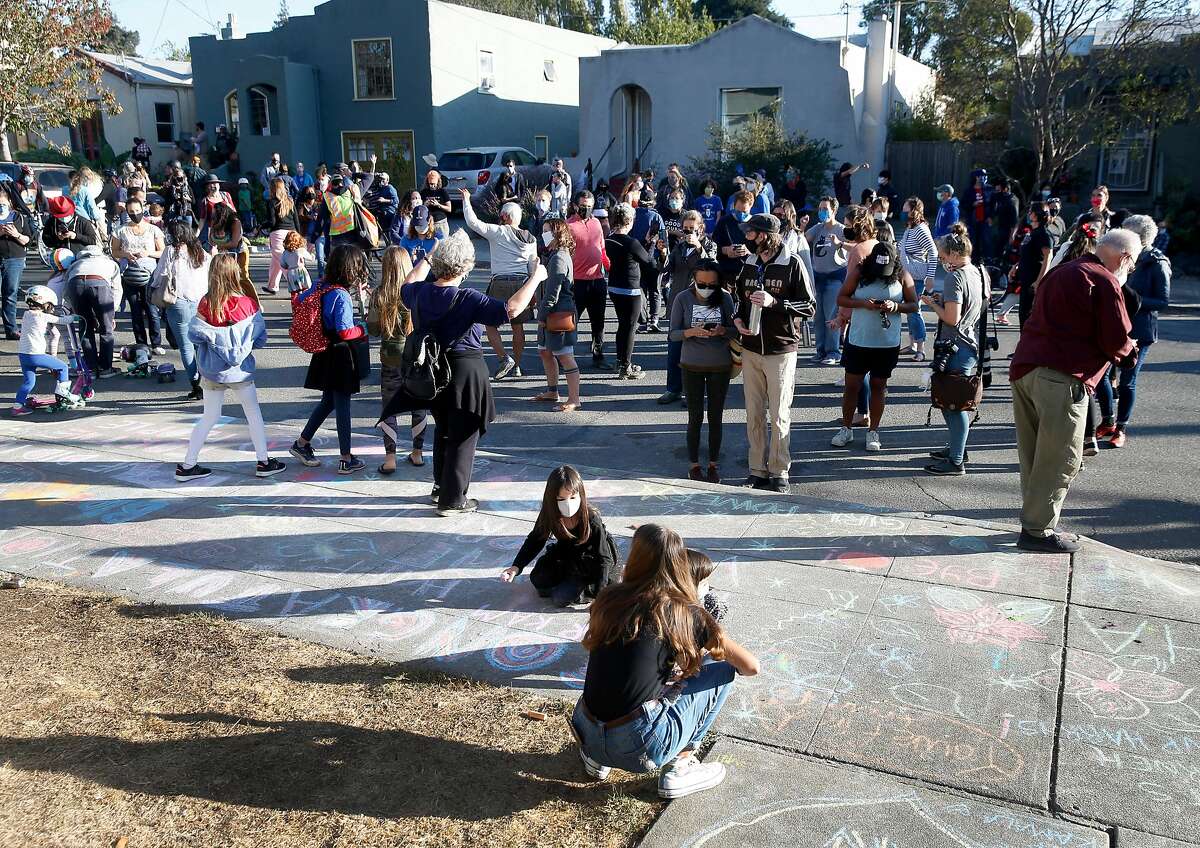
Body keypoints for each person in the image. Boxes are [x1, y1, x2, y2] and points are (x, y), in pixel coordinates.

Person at [571, 523, 760, 797]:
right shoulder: (684, 613)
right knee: (721, 670)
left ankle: (597, 760)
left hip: (586, 730)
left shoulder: (608, 597)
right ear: (679, 564)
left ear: (635, 556)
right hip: (638, 745)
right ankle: (680, 767)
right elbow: (751, 667)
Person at [384, 232, 545, 515]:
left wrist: (429, 256)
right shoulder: (467, 298)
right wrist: (535, 277)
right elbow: (511, 309)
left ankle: (440, 487)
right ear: (465, 268)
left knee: (444, 428)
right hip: (464, 371)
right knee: (464, 433)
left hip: (432, 371)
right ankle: (453, 499)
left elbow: (406, 284)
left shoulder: (421, 292)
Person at [1008, 228, 1138, 553]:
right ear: (1124, 257)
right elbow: (1116, 339)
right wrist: (1130, 352)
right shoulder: (1104, 280)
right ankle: (1037, 530)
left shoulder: (1063, 270)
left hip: (1026, 369)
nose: (1131, 270)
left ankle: (1035, 521)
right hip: (1063, 376)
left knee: (1036, 456)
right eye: (1132, 263)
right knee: (1061, 458)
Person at [175, 254, 286, 482]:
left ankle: (188, 465)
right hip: (240, 371)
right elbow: (261, 338)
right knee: (253, 413)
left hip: (212, 370)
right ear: (234, 273)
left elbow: (194, 335)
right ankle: (263, 462)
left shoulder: (206, 303)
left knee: (209, 416)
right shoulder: (248, 304)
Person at [734, 213, 816, 491]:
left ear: (766, 236)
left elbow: (809, 306)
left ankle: (780, 470)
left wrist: (775, 302)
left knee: (779, 413)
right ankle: (757, 469)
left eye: (752, 233)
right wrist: (737, 320)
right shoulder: (749, 262)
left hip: (781, 349)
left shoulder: (793, 263)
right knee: (753, 413)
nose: (747, 237)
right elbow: (738, 300)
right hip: (751, 348)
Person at [830, 212, 919, 453]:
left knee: (879, 386)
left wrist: (896, 306)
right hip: (859, 340)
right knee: (852, 385)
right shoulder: (860, 271)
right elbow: (842, 297)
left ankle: (873, 431)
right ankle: (846, 428)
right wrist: (863, 304)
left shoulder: (902, 274)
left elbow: (914, 305)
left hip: (886, 343)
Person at [290, 245, 372, 475]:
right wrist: (362, 328)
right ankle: (346, 457)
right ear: (351, 270)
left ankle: (302, 443)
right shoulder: (341, 295)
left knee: (329, 401)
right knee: (342, 405)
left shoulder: (321, 286)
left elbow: (301, 301)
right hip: (340, 354)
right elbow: (346, 331)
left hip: (323, 351)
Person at [1093, 215, 1170, 449]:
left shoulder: (1157, 262)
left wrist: (1129, 299)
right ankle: (1107, 420)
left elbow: (1162, 300)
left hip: (1140, 329)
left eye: (1124, 232)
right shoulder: (1118, 256)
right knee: (1102, 376)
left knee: (1127, 381)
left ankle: (1121, 427)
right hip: (1114, 324)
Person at [921, 224, 988, 475]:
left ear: (952, 253)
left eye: (941, 255)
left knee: (954, 404)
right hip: (969, 343)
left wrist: (931, 304)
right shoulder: (974, 271)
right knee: (956, 401)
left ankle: (956, 460)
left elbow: (951, 318)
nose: (940, 259)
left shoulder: (954, 277)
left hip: (955, 346)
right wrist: (943, 301)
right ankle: (957, 449)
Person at [501, 465, 618, 604]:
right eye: (561, 499)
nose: (568, 504)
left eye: (573, 498)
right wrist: (516, 567)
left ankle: (586, 587)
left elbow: (604, 558)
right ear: (552, 499)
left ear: (580, 495)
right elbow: (536, 539)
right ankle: (570, 583)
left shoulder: (591, 518)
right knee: (539, 579)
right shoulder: (550, 513)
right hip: (568, 555)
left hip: (591, 560)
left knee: (560, 598)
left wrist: (601, 596)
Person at [459, 189, 540, 381]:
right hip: (522, 283)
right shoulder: (531, 238)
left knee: (489, 323)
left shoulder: (498, 232)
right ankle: (518, 366)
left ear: (504, 216)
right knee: (518, 326)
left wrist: (466, 200)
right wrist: (533, 289)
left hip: (500, 283)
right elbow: (533, 264)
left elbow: (473, 223)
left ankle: (504, 358)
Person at [670, 258, 735, 483]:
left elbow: (735, 330)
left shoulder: (725, 298)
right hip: (691, 364)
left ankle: (713, 464)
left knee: (716, 417)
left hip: (720, 364)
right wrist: (690, 332)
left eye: (711, 285)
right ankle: (694, 464)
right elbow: (673, 333)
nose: (706, 289)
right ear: (694, 281)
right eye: (702, 284)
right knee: (694, 417)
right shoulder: (682, 298)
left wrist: (722, 331)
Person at [369, 246, 428, 472]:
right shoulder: (417, 292)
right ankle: (417, 453)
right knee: (419, 405)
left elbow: (373, 329)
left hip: (390, 358)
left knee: (389, 408)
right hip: (415, 357)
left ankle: (390, 459)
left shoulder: (379, 294)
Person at [660, 212, 717, 405]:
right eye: (685, 229)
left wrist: (699, 247)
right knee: (674, 347)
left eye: (692, 229)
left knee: (697, 351)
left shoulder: (709, 245)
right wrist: (662, 253)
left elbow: (712, 268)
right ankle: (673, 389)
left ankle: (692, 392)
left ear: (701, 228)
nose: (688, 233)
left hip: (700, 304)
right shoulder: (679, 246)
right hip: (677, 302)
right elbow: (667, 269)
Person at [605, 202, 665, 380]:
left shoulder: (609, 239)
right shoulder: (631, 242)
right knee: (631, 327)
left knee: (622, 325)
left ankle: (619, 360)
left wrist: (646, 242)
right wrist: (653, 244)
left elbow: (635, 255)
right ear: (629, 221)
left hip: (614, 286)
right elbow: (650, 263)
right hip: (630, 289)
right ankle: (626, 366)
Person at [154, 222, 213, 401]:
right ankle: (208, 380)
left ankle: (195, 385)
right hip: (201, 302)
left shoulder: (171, 251)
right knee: (202, 344)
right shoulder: (201, 252)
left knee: (186, 347)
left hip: (178, 302)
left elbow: (159, 275)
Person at [534, 217, 583, 412]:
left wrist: (541, 316)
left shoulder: (558, 258)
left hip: (558, 314)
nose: (544, 235)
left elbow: (552, 293)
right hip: (553, 312)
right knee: (545, 351)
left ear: (557, 234)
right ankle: (552, 391)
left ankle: (574, 399)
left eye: (548, 231)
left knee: (565, 356)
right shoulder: (555, 255)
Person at [10, 286, 80, 415]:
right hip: (36, 354)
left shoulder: (26, 314)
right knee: (63, 367)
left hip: (23, 355)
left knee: (29, 382)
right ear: (44, 302)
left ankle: (18, 406)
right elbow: (61, 320)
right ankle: (64, 394)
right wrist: (74, 317)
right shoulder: (42, 316)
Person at [110, 198, 166, 353]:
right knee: (135, 310)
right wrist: (126, 254)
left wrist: (148, 253)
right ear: (127, 212)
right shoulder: (120, 230)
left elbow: (162, 251)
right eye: (131, 212)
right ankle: (141, 343)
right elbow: (114, 251)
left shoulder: (153, 229)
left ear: (143, 209)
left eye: (137, 211)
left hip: (150, 275)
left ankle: (156, 343)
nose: (135, 214)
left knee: (152, 310)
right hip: (129, 275)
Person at [566, 191, 611, 371]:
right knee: (571, 322)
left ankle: (598, 356)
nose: (587, 209)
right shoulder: (568, 225)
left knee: (598, 322)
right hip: (576, 281)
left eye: (590, 206)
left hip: (597, 280)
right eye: (583, 206)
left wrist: (609, 267)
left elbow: (602, 249)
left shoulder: (596, 223)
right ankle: (565, 356)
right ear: (576, 206)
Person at [66, 245, 122, 379]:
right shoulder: (110, 263)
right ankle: (105, 368)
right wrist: (112, 313)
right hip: (100, 284)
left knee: (85, 326)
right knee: (106, 329)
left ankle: (90, 367)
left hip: (76, 284)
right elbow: (117, 289)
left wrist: (71, 307)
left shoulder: (75, 263)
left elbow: (66, 286)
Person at [805, 196, 848, 365]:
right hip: (818, 277)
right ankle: (820, 350)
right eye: (820, 208)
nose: (822, 212)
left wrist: (839, 244)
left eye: (825, 209)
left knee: (832, 315)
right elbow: (804, 238)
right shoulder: (818, 228)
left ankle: (833, 352)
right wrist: (801, 226)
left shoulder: (841, 229)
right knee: (818, 316)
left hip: (835, 277)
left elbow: (852, 246)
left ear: (834, 211)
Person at [898, 197, 937, 362]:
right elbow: (903, 246)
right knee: (910, 311)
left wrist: (931, 276)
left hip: (917, 275)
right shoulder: (910, 228)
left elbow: (933, 252)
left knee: (914, 311)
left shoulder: (921, 229)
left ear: (913, 210)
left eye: (905, 208)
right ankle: (912, 344)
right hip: (908, 274)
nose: (903, 211)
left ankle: (921, 349)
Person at [1001, 206, 1052, 328]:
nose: (1029, 214)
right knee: (1023, 315)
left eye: (1031, 212)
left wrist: (1039, 281)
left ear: (1037, 215)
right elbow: (1027, 254)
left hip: (1033, 281)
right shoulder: (1031, 233)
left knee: (1029, 318)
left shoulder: (1043, 234)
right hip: (1024, 280)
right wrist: (1016, 266)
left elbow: (1048, 257)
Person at [0, 183, 34, 340]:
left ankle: (11, 329)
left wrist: (15, 234)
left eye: (3, 203)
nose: (1, 206)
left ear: (9, 202)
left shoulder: (19, 217)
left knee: (10, 294)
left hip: (15, 258)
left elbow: (28, 240)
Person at [263, 177, 300, 295]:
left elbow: (272, 222)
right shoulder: (290, 201)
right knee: (276, 262)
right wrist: (299, 235)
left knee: (284, 263)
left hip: (278, 234)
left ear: (272, 189)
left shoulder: (271, 202)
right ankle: (272, 286)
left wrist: (261, 226)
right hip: (292, 233)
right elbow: (296, 220)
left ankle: (296, 286)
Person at [207, 204, 252, 290]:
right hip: (221, 253)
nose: (212, 216)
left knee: (242, 278)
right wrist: (213, 247)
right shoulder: (214, 222)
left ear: (221, 214)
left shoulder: (235, 222)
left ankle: (254, 301)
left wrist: (218, 247)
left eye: (215, 214)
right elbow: (211, 239)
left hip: (239, 252)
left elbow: (234, 243)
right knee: (220, 277)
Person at [714, 189, 752, 289]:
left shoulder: (754, 224)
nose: (741, 214)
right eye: (738, 211)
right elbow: (713, 247)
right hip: (726, 271)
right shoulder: (724, 222)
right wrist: (726, 250)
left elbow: (762, 248)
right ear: (734, 206)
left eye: (744, 211)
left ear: (750, 207)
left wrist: (747, 250)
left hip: (748, 272)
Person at [688, 549, 727, 622]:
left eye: (707, 581)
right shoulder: (674, 610)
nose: (707, 586)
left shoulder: (711, 604)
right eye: (703, 583)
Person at [988, 178, 1020, 264]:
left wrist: (1012, 234)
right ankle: (994, 260)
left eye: (1000, 189)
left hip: (1008, 228)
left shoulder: (1012, 201)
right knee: (995, 246)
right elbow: (993, 202)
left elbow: (1015, 220)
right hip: (999, 225)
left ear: (1005, 189)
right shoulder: (1000, 196)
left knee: (1003, 248)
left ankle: (1001, 263)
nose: (998, 190)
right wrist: (991, 216)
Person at [365, 171, 400, 243]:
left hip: (389, 213)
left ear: (387, 180)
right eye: (380, 179)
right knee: (383, 231)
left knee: (389, 231)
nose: (382, 181)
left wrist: (384, 200)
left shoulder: (390, 188)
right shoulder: (380, 188)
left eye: (383, 179)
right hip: (381, 213)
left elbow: (396, 200)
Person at [421, 170, 452, 237]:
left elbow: (449, 208)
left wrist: (438, 205)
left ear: (438, 181)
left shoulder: (442, 191)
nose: (432, 186)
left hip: (440, 222)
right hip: (428, 223)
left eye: (433, 184)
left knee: (442, 244)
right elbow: (419, 209)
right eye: (430, 184)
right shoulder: (424, 192)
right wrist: (425, 205)